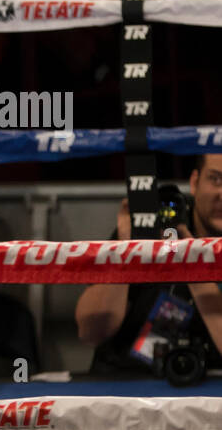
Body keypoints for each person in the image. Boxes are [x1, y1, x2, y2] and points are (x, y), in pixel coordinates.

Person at [76, 155, 222, 376]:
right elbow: (90, 332)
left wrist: (189, 259)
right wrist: (124, 252)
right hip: (124, 385)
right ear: (194, 182)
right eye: (216, 180)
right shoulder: (151, 227)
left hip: (204, 394)